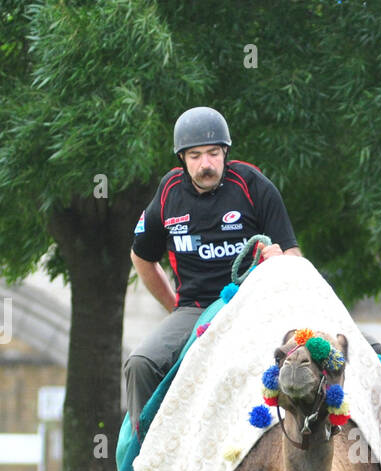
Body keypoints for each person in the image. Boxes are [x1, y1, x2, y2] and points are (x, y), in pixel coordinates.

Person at [124, 106, 301, 431]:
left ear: (225, 153)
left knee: (330, 354)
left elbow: (293, 255)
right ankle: (143, 461)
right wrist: (174, 308)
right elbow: (141, 257)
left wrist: (278, 263)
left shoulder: (253, 185)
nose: (206, 164)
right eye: (195, 156)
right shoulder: (168, 193)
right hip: (194, 309)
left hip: (252, 305)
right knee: (140, 363)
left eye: (213, 153)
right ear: (182, 159)